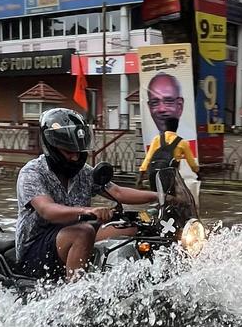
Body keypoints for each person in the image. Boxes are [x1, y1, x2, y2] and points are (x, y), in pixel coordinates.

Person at [16, 108, 157, 281]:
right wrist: (88, 211)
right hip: (35, 250)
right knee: (83, 232)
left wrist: (159, 196)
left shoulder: (83, 173)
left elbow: (118, 192)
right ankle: (76, 297)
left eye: (78, 152)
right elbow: (47, 210)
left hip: (72, 235)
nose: (75, 158)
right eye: (69, 152)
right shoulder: (32, 173)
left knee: (131, 227)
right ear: (51, 147)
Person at [138, 116, 198, 190]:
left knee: (155, 196)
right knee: (171, 196)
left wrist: (140, 177)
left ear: (165, 126)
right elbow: (191, 162)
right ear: (177, 126)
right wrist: (198, 173)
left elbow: (148, 158)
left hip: (154, 173)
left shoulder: (157, 139)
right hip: (170, 175)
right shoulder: (182, 143)